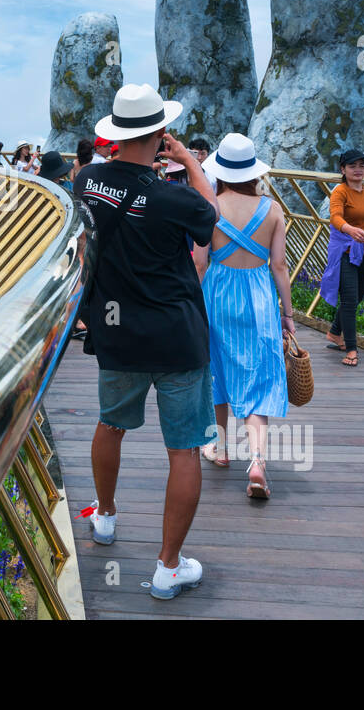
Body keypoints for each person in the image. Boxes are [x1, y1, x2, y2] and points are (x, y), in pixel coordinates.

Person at [73, 83, 218, 600]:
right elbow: (211, 219)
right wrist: (190, 163)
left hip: (116, 330)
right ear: (160, 134)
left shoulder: (88, 178)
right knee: (184, 451)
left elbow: (102, 204)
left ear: (115, 132)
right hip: (177, 335)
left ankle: (106, 516)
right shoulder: (172, 196)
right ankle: (168, 566)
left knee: (111, 424)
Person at [193, 134, 293, 499]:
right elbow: (279, 266)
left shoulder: (209, 208)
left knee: (216, 368)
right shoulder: (272, 210)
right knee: (259, 377)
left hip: (217, 294)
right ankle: (256, 461)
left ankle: (219, 449)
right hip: (258, 295)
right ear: (254, 172)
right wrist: (289, 314)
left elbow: (199, 264)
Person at [322, 149, 364, 366]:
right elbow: (335, 217)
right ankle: (351, 349)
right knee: (350, 299)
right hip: (345, 251)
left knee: (359, 296)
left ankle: (334, 332)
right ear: (343, 170)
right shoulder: (340, 191)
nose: (358, 170)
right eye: (353, 166)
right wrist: (350, 229)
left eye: (361, 165)